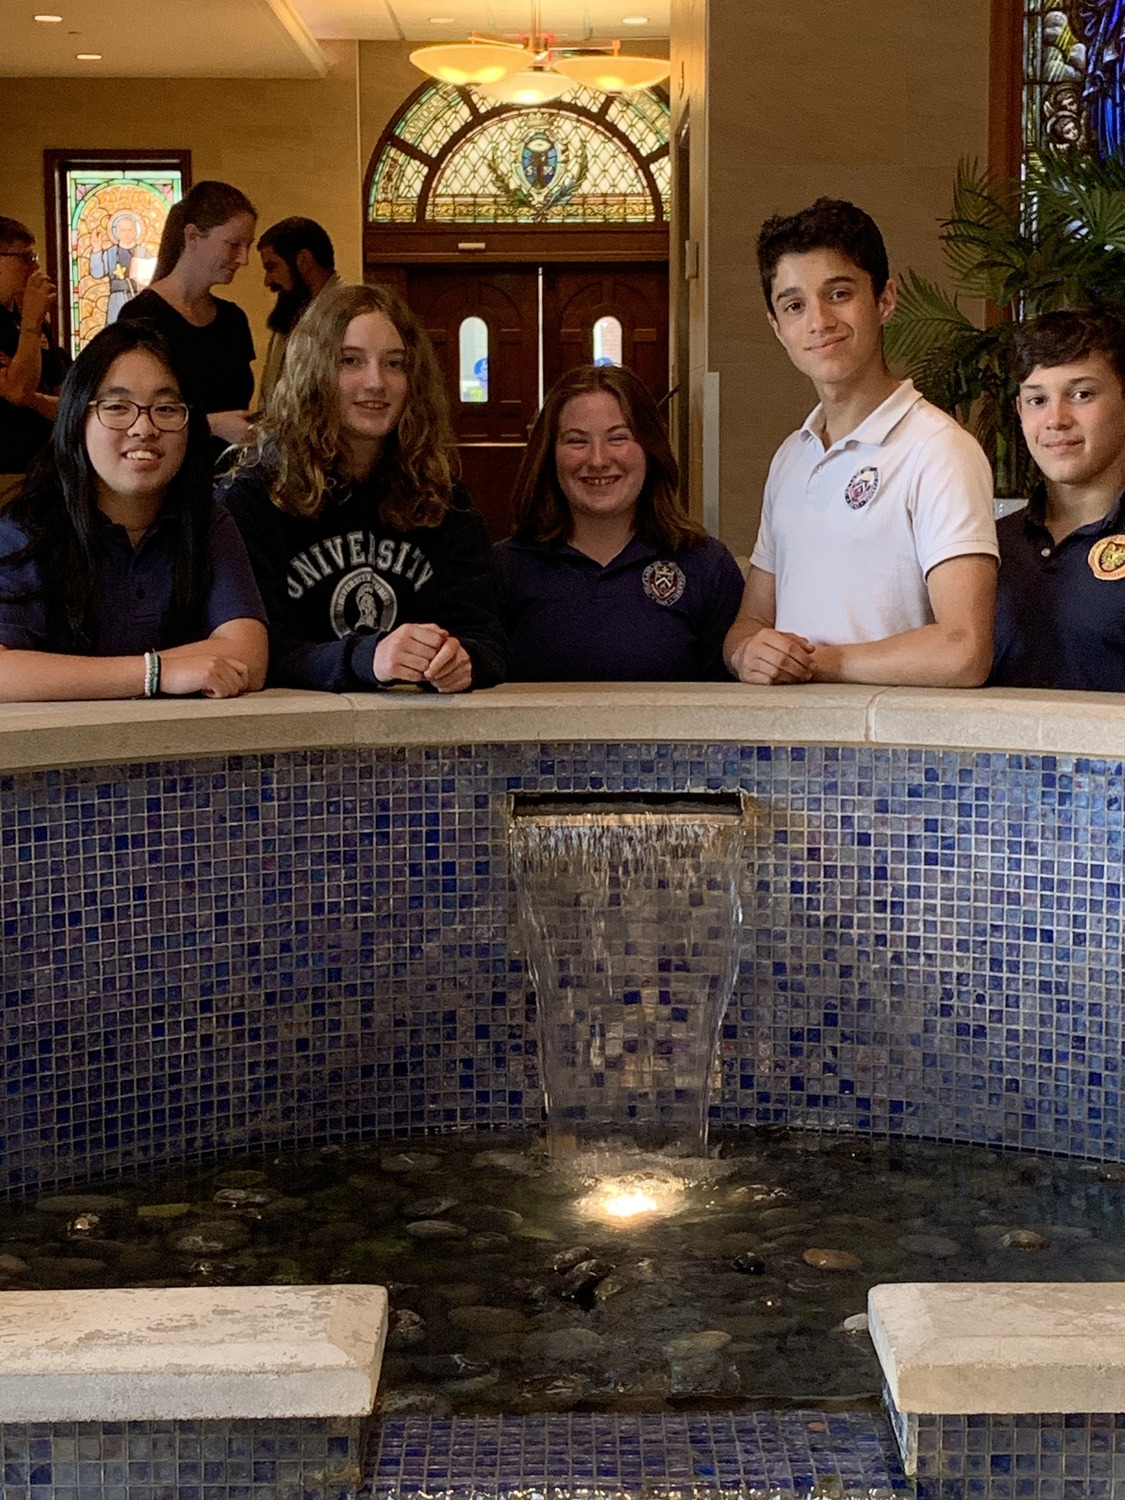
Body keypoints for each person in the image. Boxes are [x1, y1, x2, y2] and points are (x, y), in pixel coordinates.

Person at [723, 197, 999, 688]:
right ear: (777, 329)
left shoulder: (938, 450)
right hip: (791, 752)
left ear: (885, 300)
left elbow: (964, 650)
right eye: (794, 305)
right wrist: (747, 654)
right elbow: (751, 624)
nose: (819, 322)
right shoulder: (791, 458)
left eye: (839, 294)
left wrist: (814, 662)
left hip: (893, 755)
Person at [218, 281, 507, 693]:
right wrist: (366, 658)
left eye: (394, 363)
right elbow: (255, 654)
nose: (376, 382)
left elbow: (487, 636)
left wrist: (464, 660)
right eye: (350, 361)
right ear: (313, 373)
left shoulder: (441, 496)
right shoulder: (253, 496)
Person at [0, 319, 268, 701]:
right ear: (78, 419)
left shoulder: (207, 520)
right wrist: (156, 673)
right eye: (117, 407)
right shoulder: (25, 530)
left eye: (166, 408)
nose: (144, 427)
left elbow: (248, 656)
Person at [494, 363, 745, 680]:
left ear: (650, 448)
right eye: (576, 441)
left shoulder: (708, 567)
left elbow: (732, 711)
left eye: (618, 438)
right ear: (548, 455)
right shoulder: (503, 570)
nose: (598, 460)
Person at [992, 305, 1125, 689]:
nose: (1056, 419)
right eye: (1037, 400)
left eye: (1081, 394)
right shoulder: (987, 545)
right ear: (1019, 411)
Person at [118, 181, 257, 448]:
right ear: (193, 236)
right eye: (234, 244)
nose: (244, 259)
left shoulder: (233, 318)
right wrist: (211, 425)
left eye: (247, 245)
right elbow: (133, 415)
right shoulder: (141, 316)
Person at [0, 215, 66, 482]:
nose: (34, 268)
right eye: (25, 258)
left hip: (45, 467)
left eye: (34, 257)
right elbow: (18, 390)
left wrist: (32, 399)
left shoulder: (32, 318)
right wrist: (31, 322)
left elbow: (67, 404)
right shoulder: (31, 318)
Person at [257, 216, 338, 406]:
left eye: (272, 267)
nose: (267, 281)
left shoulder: (348, 317)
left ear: (304, 261)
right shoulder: (288, 313)